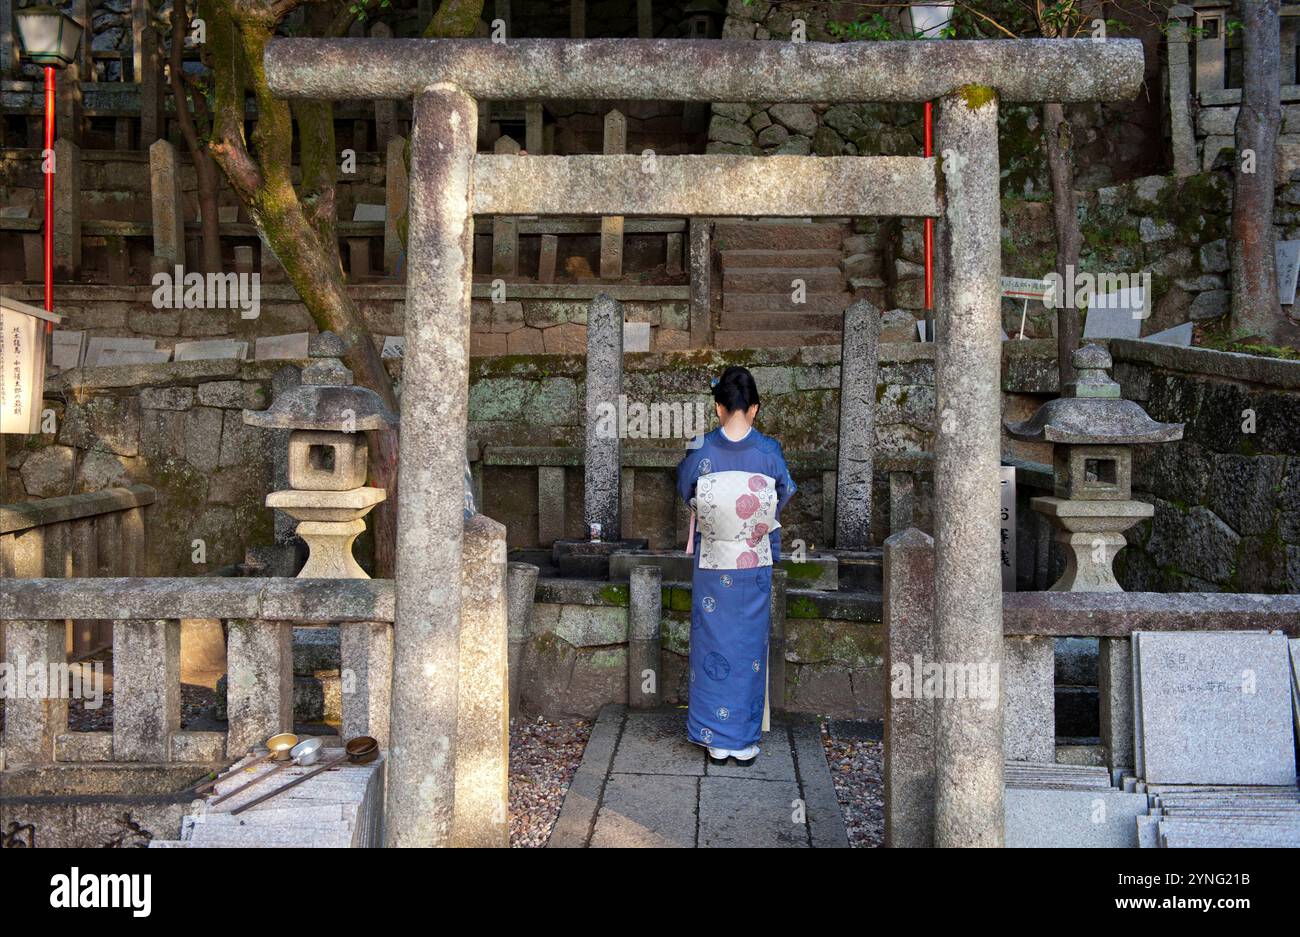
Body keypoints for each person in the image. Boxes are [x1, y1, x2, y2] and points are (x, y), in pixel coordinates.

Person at [676, 366, 796, 766]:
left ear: (718, 408)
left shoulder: (699, 447)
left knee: (713, 642)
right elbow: (784, 492)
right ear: (755, 408)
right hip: (753, 561)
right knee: (748, 646)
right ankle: (742, 740)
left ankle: (714, 736)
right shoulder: (769, 450)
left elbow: (684, 488)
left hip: (713, 562)